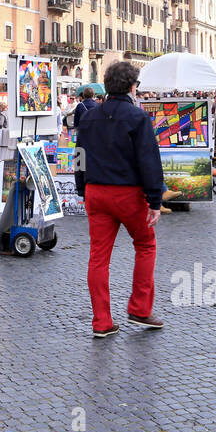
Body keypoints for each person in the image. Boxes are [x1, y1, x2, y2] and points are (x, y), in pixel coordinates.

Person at [74, 60, 165, 339]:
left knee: (98, 258)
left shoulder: (89, 117)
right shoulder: (137, 118)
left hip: (96, 193)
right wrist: (155, 200)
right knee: (145, 245)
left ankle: (101, 321)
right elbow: (149, 160)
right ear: (132, 86)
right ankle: (139, 308)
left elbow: (79, 156)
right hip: (127, 193)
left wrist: (81, 189)